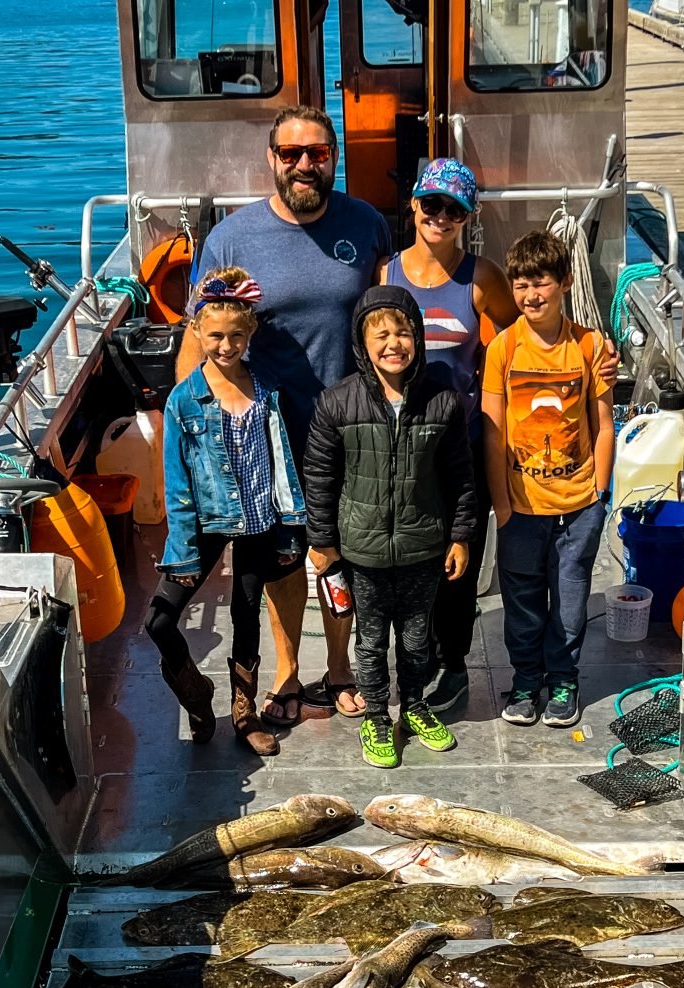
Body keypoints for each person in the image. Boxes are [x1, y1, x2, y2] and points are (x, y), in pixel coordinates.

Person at [176, 105, 391, 726]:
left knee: (343, 554)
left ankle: (343, 668)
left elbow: (387, 316)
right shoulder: (232, 239)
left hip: (352, 427)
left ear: (333, 157)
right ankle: (289, 671)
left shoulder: (366, 224)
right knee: (283, 558)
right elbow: (202, 338)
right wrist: (187, 432)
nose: (304, 164)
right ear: (272, 159)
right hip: (264, 433)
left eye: (317, 153)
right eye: (291, 153)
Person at [304, 285, 476, 769]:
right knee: (372, 639)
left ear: (418, 337)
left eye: (403, 331)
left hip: (424, 546)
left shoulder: (443, 401)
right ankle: (378, 715)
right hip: (362, 550)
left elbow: (461, 474)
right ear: (362, 343)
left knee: (419, 638)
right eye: (380, 334)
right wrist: (322, 540)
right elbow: (319, 475)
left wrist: (460, 536)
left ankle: (415, 704)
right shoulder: (337, 403)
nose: (393, 343)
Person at [147, 268, 306, 758]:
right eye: (215, 335)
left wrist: (290, 528)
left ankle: (245, 710)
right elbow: (176, 481)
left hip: (260, 519)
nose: (225, 345)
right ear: (196, 331)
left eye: (236, 335)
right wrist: (185, 550)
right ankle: (196, 695)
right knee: (159, 620)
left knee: (247, 612)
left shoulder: (266, 389)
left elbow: (282, 461)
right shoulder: (183, 400)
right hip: (209, 522)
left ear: (250, 333)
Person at [381, 157, 517, 714]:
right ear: (413, 205)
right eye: (431, 204)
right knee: (408, 559)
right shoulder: (385, 274)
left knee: (459, 558)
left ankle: (453, 662)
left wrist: (589, 352)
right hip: (401, 446)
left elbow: (521, 340)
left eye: (453, 209)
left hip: (459, 445)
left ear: (468, 216)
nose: (440, 216)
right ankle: (413, 658)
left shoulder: (480, 278)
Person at [483, 231, 614, 730]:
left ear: (565, 283)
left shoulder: (589, 346)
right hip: (520, 506)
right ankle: (524, 681)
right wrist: (502, 503)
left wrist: (599, 494)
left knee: (571, 598)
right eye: (520, 285)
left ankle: (564, 679)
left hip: (579, 503)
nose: (531, 295)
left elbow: (603, 425)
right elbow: (493, 434)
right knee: (521, 602)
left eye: (541, 283)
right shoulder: (503, 349)